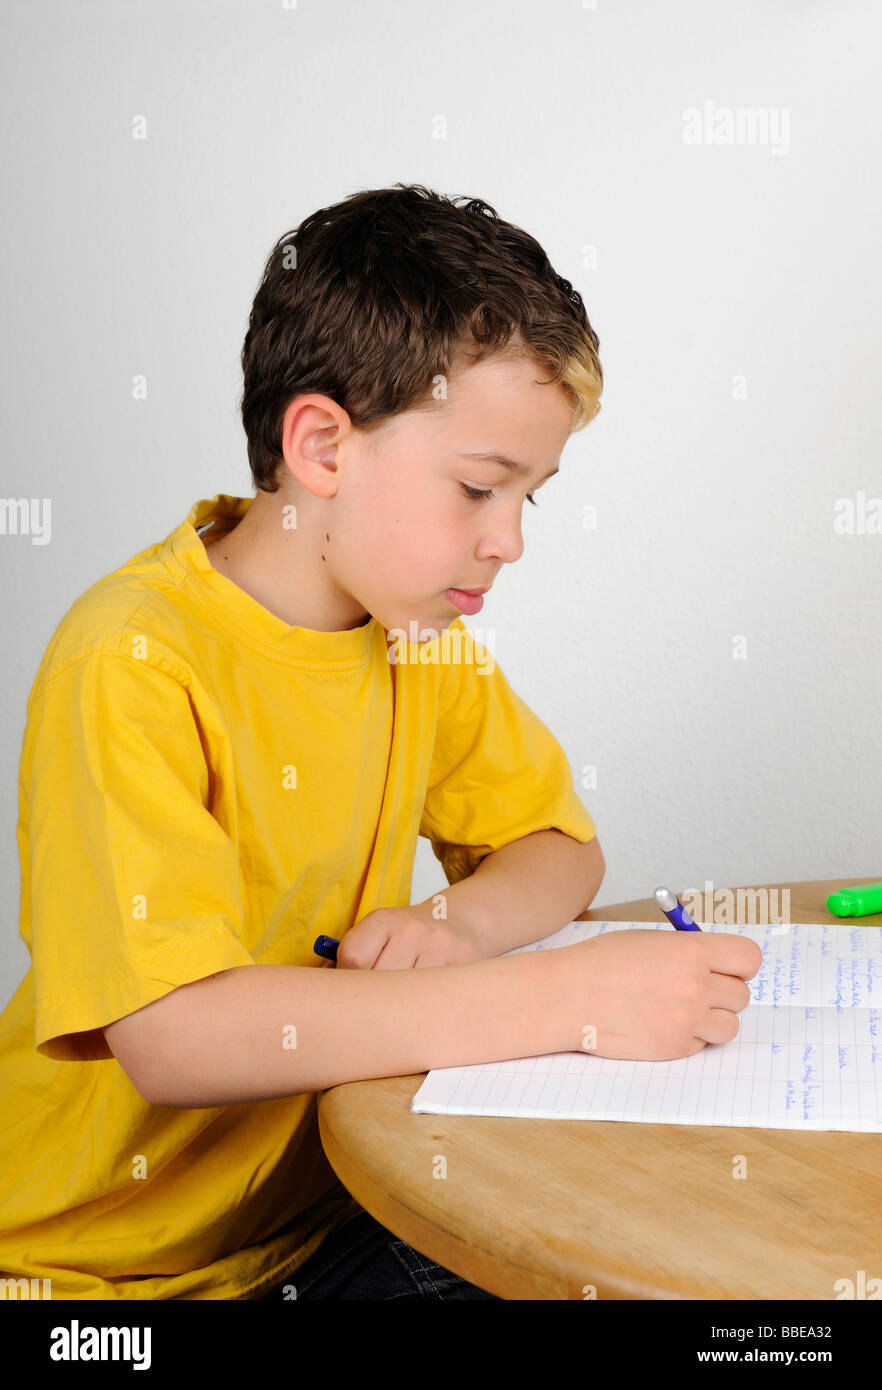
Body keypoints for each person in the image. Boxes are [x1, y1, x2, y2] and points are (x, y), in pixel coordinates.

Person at [0, 184, 760, 1301]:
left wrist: (460, 921)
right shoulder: (130, 658)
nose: (506, 542)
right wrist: (567, 1000)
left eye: (529, 502)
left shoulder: (418, 639)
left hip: (329, 1216)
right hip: (95, 1278)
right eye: (478, 488)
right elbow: (172, 1034)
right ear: (321, 446)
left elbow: (558, 843)